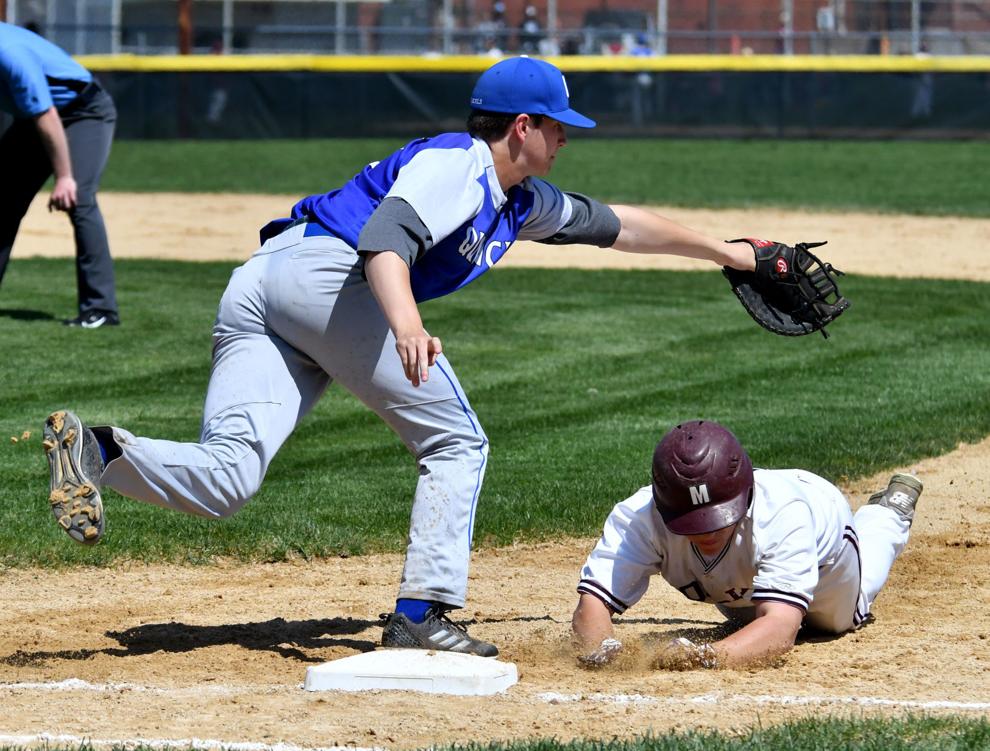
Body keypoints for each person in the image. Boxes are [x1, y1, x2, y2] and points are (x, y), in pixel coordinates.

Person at [43, 57, 760, 658]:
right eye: (559, 127)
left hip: (265, 282)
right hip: (326, 277)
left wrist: (729, 253)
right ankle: (421, 614)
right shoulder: (460, 161)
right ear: (522, 127)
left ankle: (101, 452)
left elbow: (620, 226)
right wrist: (407, 322)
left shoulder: (521, 201)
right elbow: (386, 239)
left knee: (230, 475)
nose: (566, 140)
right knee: (456, 439)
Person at [572, 420, 923, 669]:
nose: (706, 531)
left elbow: (780, 630)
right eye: (691, 521)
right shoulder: (638, 517)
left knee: (839, 620)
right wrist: (604, 652)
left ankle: (887, 514)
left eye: (717, 518)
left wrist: (702, 656)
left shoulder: (784, 514)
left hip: (823, 536)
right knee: (744, 617)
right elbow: (593, 604)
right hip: (741, 576)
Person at [0, 22, 120, 328]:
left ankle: (101, 310)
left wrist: (65, 176)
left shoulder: (9, 52)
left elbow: (47, 114)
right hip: (31, 119)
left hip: (82, 112)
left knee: (79, 199)